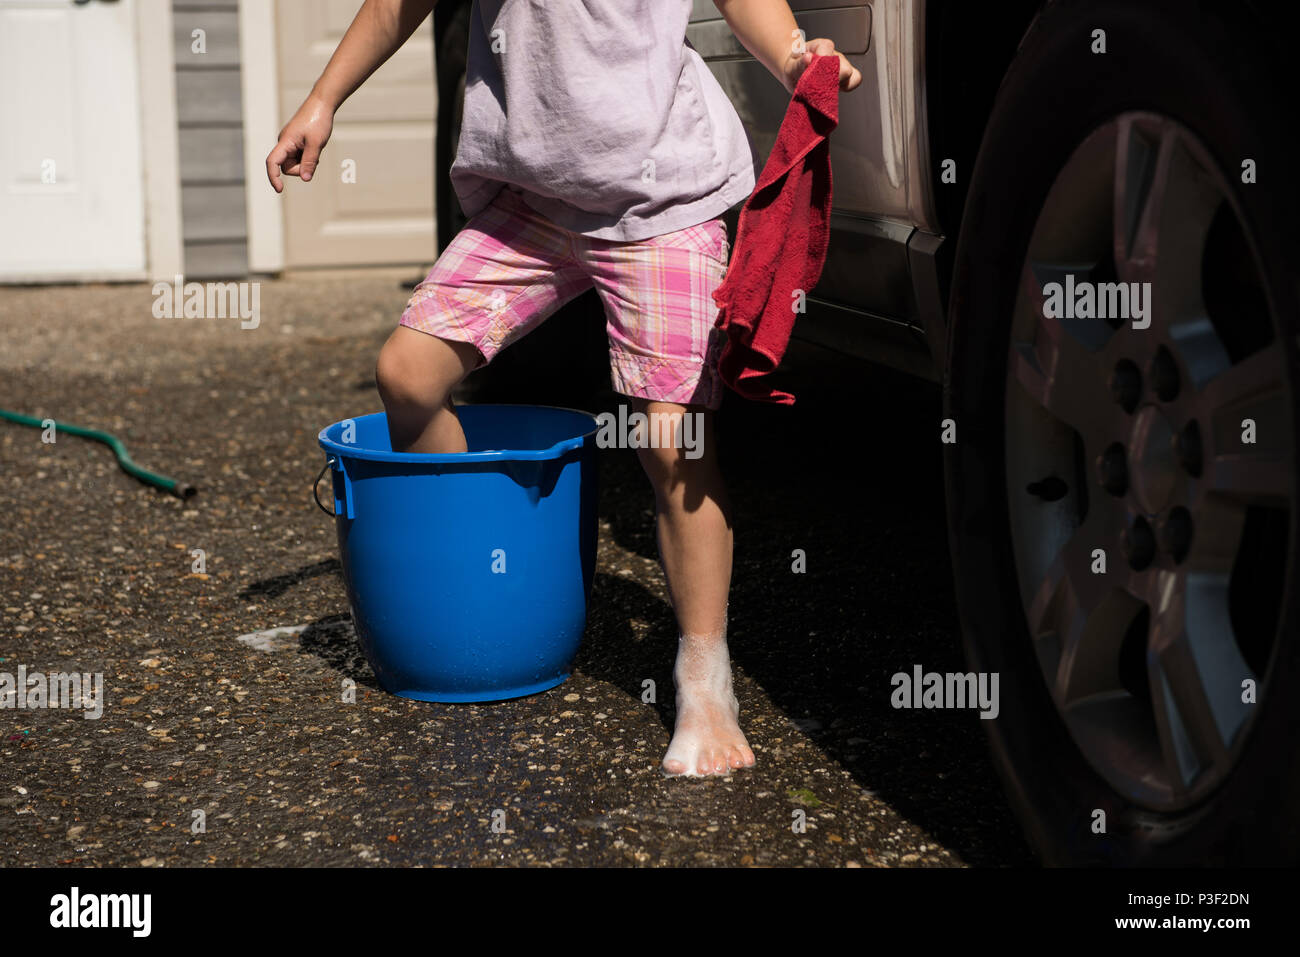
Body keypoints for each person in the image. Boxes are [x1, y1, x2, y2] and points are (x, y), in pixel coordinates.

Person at [267, 0, 861, 777]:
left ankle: (704, 676)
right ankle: (474, 584)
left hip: (661, 198)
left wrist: (789, 53)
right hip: (531, 201)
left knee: (668, 435)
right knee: (407, 373)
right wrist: (323, 99)